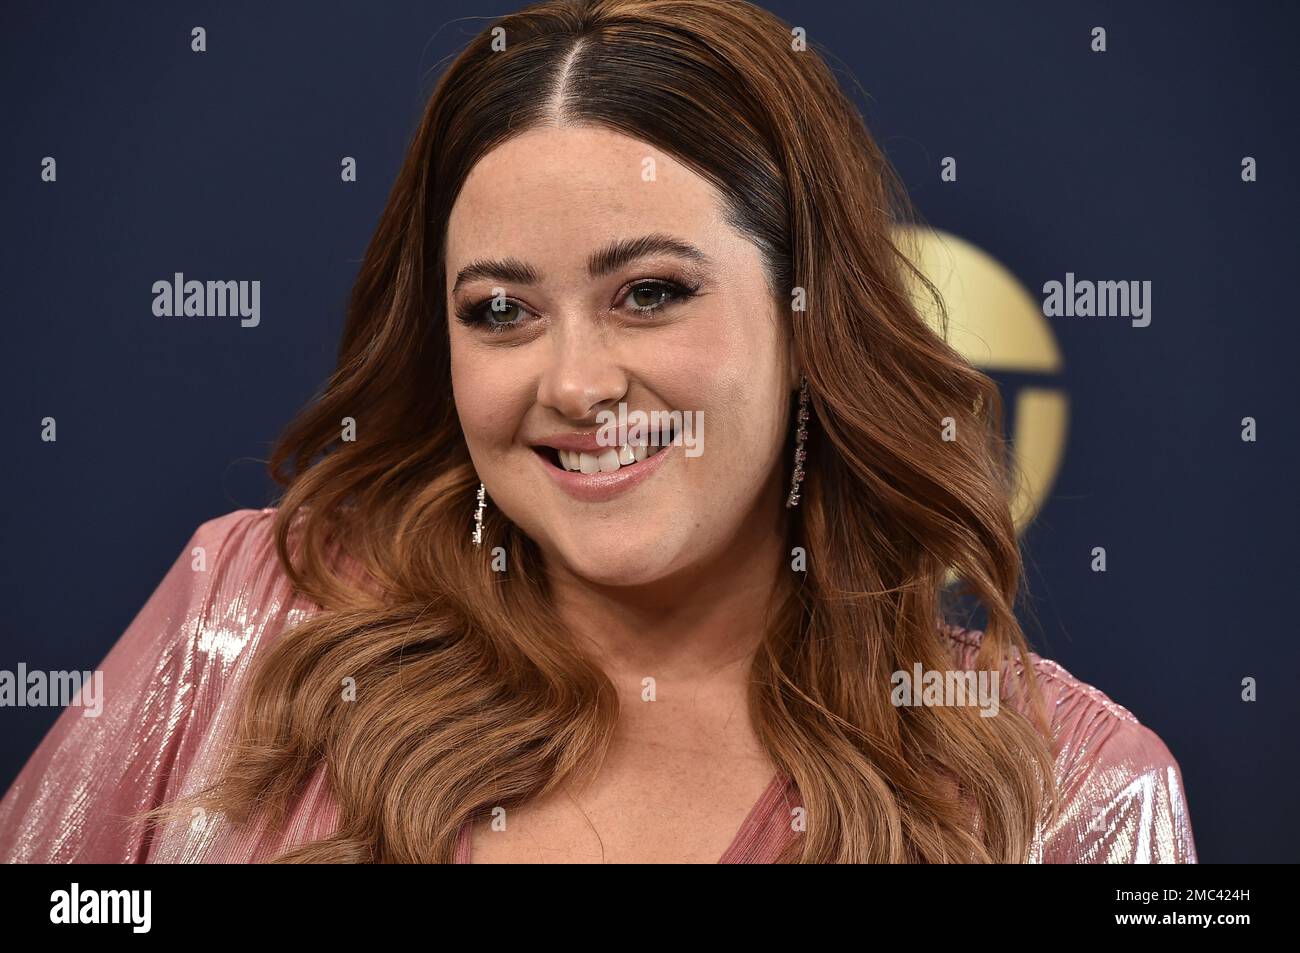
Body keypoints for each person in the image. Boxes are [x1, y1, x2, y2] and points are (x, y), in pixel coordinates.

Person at [0, 0, 1195, 863]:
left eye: (651, 291)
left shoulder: (1071, 795)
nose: (574, 383)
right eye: (501, 311)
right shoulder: (250, 613)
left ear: (809, 311)